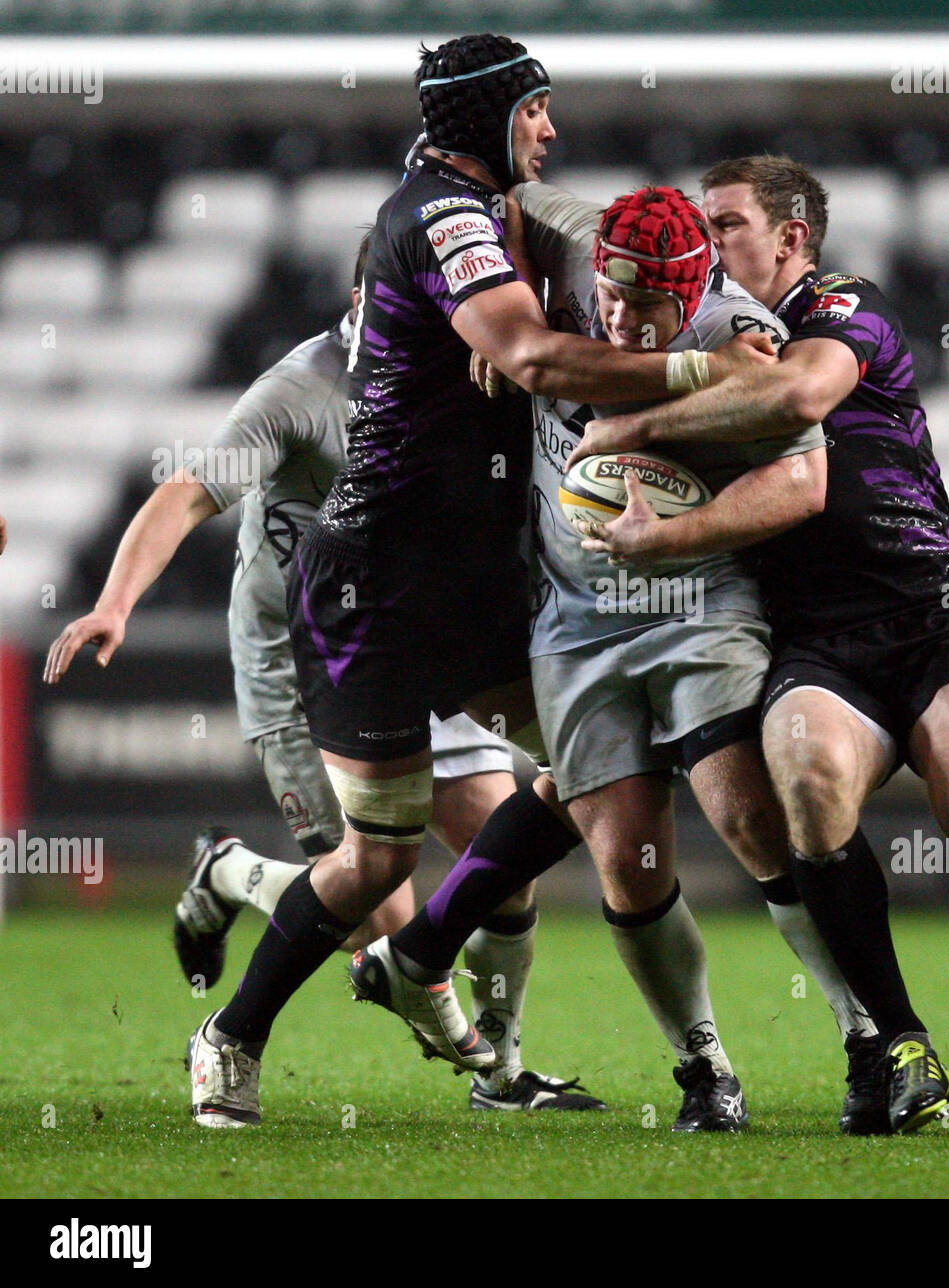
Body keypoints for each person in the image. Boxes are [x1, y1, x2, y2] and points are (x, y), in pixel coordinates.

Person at [176, 34, 766, 1128]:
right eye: (534, 109)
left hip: (474, 579)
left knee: (593, 768)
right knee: (374, 861)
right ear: (487, 114)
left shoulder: (490, 209)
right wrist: (700, 366)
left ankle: (456, 993)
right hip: (376, 588)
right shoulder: (442, 211)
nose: (551, 129)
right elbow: (534, 356)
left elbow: (524, 335)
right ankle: (230, 1036)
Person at [571, 155, 949, 1139]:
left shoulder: (844, 306)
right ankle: (902, 1046)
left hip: (931, 609)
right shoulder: (701, 338)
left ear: (791, 238)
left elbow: (802, 395)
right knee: (808, 786)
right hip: (814, 637)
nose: (706, 243)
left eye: (725, 224)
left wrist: (636, 424)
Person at [358, 182, 878, 1132]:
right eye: (612, 296)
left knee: (750, 819)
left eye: (648, 308)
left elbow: (802, 481)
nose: (624, 320)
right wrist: (501, 326)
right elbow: (500, 201)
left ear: (694, 294)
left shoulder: (743, 339)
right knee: (628, 861)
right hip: (573, 625)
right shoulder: (568, 252)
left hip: (700, 605)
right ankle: (703, 1070)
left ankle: (867, 1039)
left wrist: (673, 538)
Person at [42, 235, 604, 1113]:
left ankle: (500, 1067)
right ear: (361, 304)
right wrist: (114, 603)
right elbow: (187, 492)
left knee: (501, 859)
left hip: (419, 639)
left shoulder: (460, 373)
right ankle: (232, 898)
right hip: (302, 655)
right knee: (373, 900)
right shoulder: (301, 389)